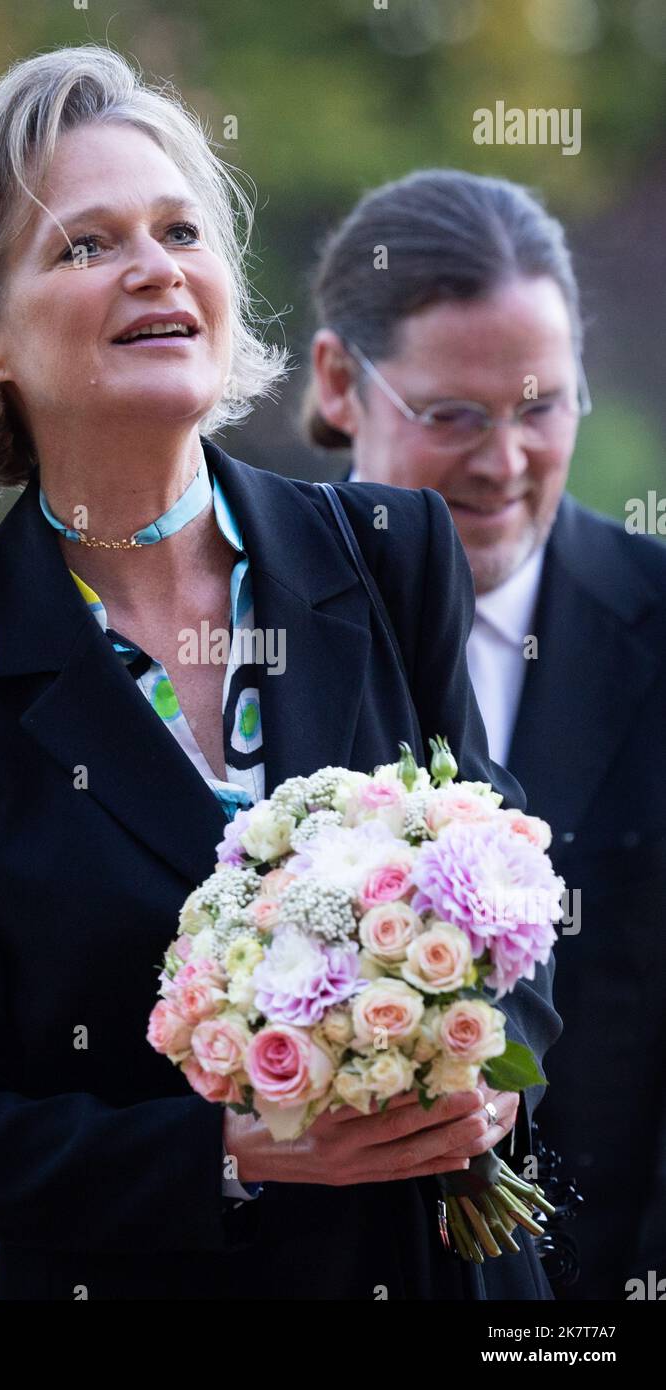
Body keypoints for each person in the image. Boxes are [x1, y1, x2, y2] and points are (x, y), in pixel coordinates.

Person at [0, 52, 558, 1301]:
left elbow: (514, 915)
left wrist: (480, 1072)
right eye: (85, 245)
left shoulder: (392, 552)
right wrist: (232, 1151)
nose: (158, 266)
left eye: (179, 230)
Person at [303, 167, 666, 1299]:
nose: (504, 462)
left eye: (541, 406)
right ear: (336, 383)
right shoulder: (237, 632)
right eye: (452, 414)